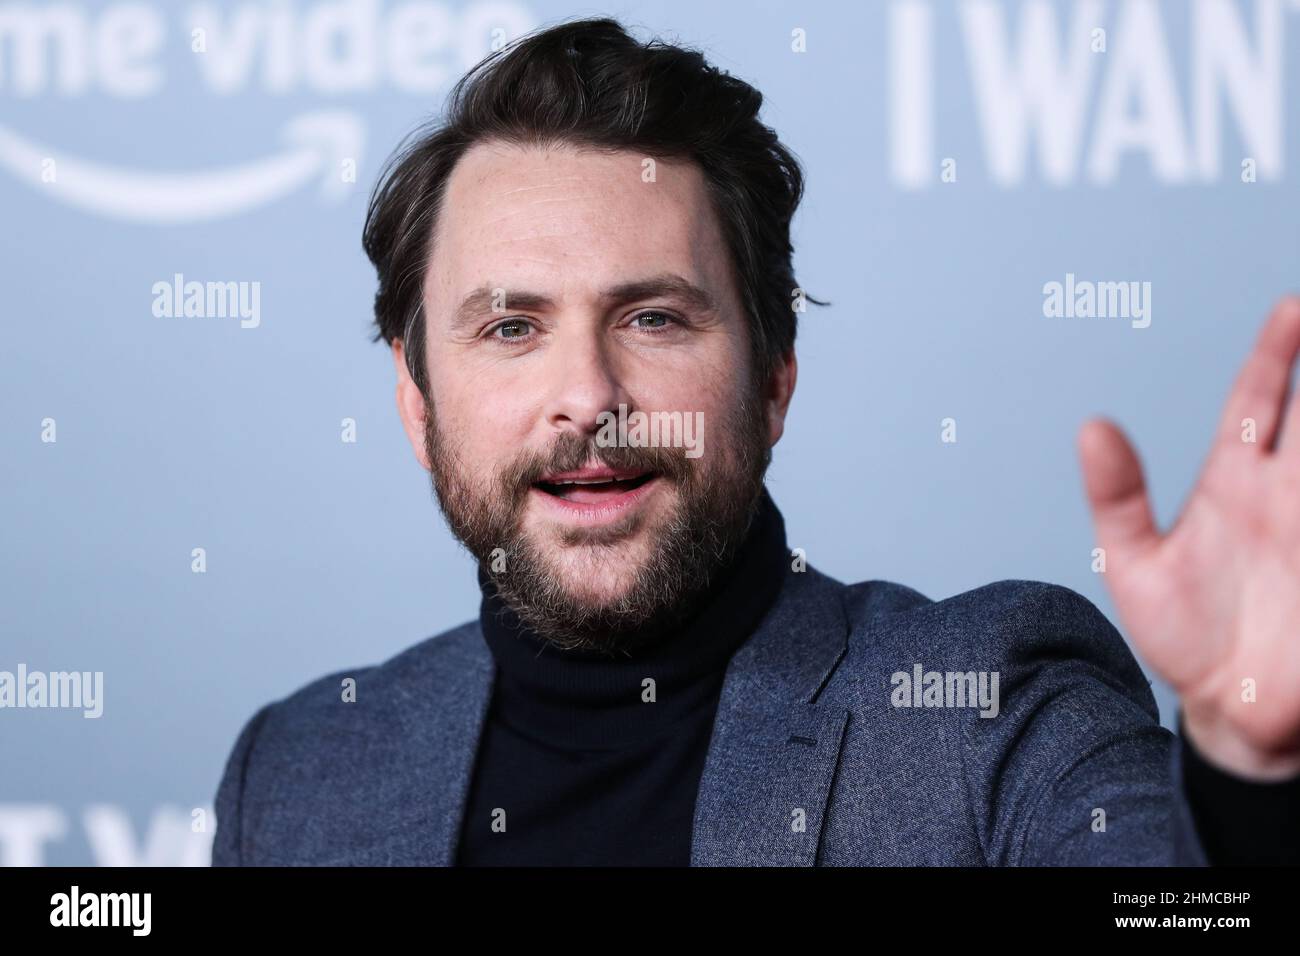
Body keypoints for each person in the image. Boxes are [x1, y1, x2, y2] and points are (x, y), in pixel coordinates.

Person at [213, 17, 1300, 866]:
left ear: (774, 378)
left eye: (655, 317)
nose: (588, 396)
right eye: (511, 326)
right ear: (416, 406)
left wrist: (1250, 772)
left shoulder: (979, 708)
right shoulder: (303, 772)